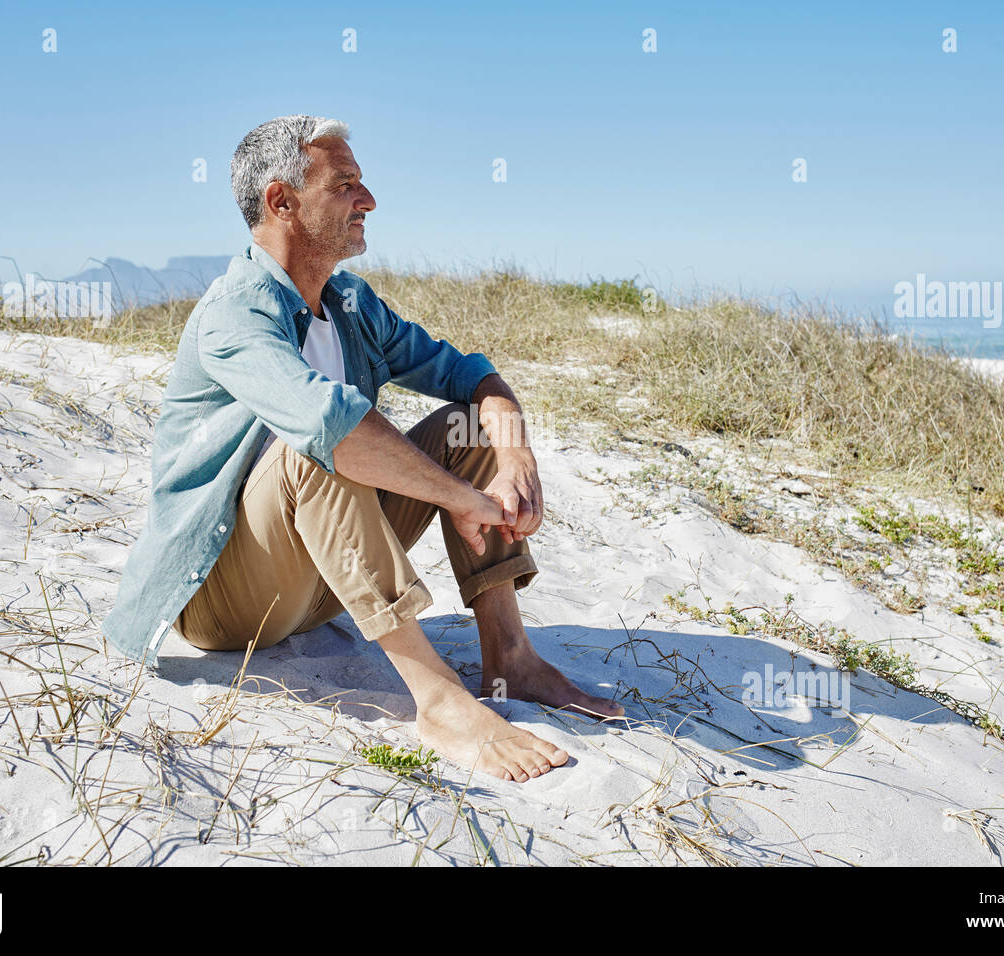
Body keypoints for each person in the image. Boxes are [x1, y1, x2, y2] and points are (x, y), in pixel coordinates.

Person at [104, 115, 624, 782]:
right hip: (225, 603)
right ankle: (438, 700)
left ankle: (510, 656)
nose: (368, 201)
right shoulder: (235, 312)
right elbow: (331, 425)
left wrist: (516, 460)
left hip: (322, 580)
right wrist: (461, 499)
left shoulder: (350, 303)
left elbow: (474, 377)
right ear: (281, 202)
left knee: (468, 424)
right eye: (345, 185)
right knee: (316, 445)